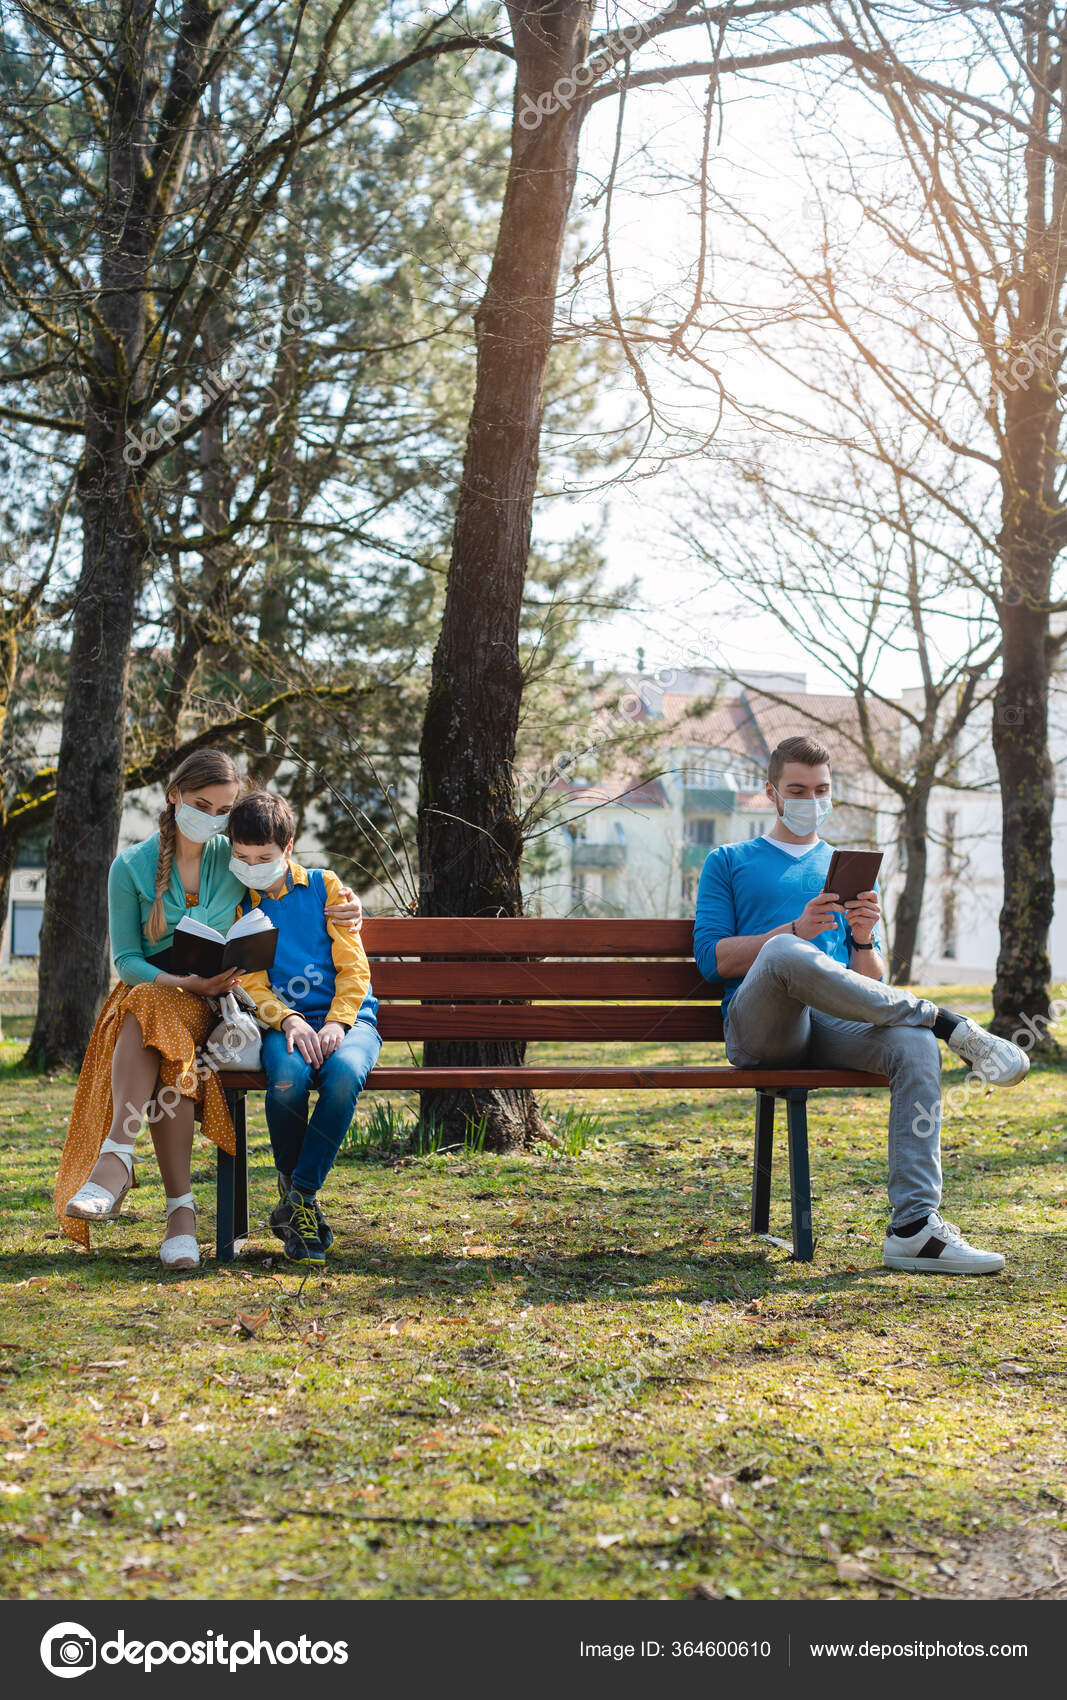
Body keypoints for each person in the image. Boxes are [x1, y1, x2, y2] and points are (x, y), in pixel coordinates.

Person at [693, 734, 1031, 1275]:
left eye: (821, 789)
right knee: (785, 948)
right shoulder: (728, 860)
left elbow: (869, 985)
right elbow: (713, 960)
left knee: (915, 1045)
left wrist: (862, 940)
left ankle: (914, 1229)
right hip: (761, 1030)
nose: (811, 799)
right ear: (772, 793)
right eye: (797, 789)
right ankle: (948, 1020)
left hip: (831, 1024)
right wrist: (796, 930)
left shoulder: (847, 866)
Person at [55, 751, 364, 1270]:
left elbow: (292, 883)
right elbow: (126, 959)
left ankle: (120, 1162)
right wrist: (182, 980)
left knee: (157, 1024)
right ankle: (178, 1214)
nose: (213, 818)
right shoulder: (129, 866)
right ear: (173, 795)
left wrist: (353, 909)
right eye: (201, 804)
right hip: (157, 994)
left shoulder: (233, 857)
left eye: (223, 809)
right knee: (159, 1024)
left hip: (222, 1006)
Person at [226, 789, 381, 1269]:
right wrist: (289, 1019)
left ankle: (298, 1196)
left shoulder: (325, 887)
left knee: (342, 1076)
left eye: (264, 857)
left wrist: (337, 1023)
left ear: (288, 848)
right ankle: (303, 1208)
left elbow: (353, 966)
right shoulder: (238, 904)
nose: (253, 865)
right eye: (242, 857)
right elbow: (251, 982)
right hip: (280, 1024)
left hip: (349, 1019)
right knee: (288, 1080)